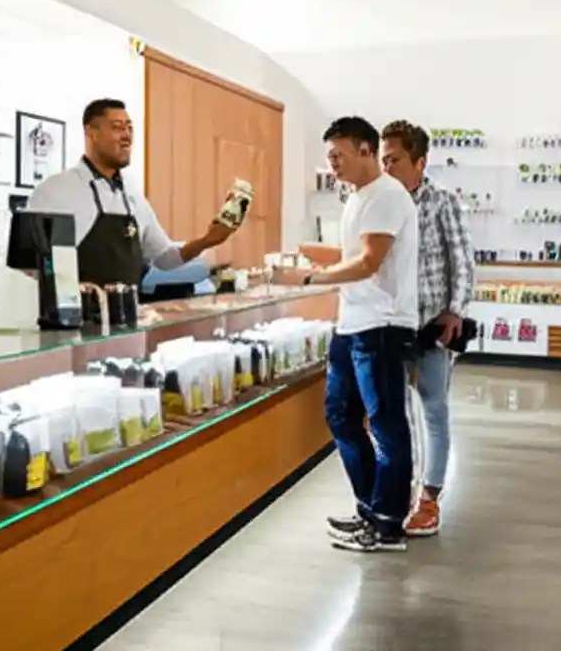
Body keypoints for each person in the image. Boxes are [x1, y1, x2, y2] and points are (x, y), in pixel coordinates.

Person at [282, 116, 419, 553]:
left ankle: (389, 523)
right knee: (340, 414)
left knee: (385, 425)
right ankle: (371, 507)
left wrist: (307, 281)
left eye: (339, 155)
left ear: (366, 151)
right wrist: (300, 262)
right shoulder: (358, 198)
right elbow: (350, 256)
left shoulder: (386, 196)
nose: (333, 164)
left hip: (380, 326)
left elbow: (366, 263)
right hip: (353, 323)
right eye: (329, 157)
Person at [380, 120, 475, 537]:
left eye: (396, 160)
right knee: (396, 417)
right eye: (383, 160)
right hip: (390, 327)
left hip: (433, 329)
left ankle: (430, 499)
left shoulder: (442, 203)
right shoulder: (380, 203)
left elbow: (463, 261)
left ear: (420, 161)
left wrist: (454, 311)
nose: (388, 168)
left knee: (434, 411)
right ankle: (400, 493)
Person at [27, 99, 236, 286]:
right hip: (73, 325)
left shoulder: (133, 195)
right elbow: (28, 264)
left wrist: (208, 240)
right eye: (117, 128)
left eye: (129, 128)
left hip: (127, 323)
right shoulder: (54, 191)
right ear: (91, 133)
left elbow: (165, 259)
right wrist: (70, 288)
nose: (127, 136)